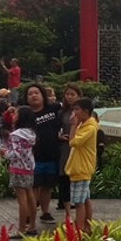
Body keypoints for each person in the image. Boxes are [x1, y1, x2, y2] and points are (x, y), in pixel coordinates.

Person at [25, 83, 62, 225]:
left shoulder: (53, 108)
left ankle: (45, 212)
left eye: (37, 93)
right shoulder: (26, 114)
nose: (34, 95)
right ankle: (30, 213)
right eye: (30, 94)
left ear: (42, 95)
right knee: (34, 186)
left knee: (47, 186)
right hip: (33, 158)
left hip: (52, 155)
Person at [64, 97, 99, 233]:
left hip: (81, 168)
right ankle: (87, 227)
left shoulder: (89, 127)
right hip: (81, 167)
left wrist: (73, 125)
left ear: (85, 111)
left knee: (79, 202)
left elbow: (73, 142)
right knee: (85, 199)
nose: (74, 113)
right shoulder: (85, 124)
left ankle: (79, 230)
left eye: (77, 109)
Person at [4, 106, 37, 238]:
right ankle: (32, 226)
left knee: (21, 200)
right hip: (29, 167)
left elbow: (15, 153)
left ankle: (22, 229)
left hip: (18, 168)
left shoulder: (15, 135)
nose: (14, 116)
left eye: (16, 114)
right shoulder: (31, 133)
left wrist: (5, 153)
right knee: (30, 196)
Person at [55, 83, 83, 220]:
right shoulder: (62, 113)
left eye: (73, 94)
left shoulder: (84, 112)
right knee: (64, 179)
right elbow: (56, 128)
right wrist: (58, 136)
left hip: (79, 148)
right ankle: (67, 213)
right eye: (67, 94)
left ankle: (80, 213)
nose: (70, 97)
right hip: (65, 149)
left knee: (79, 180)